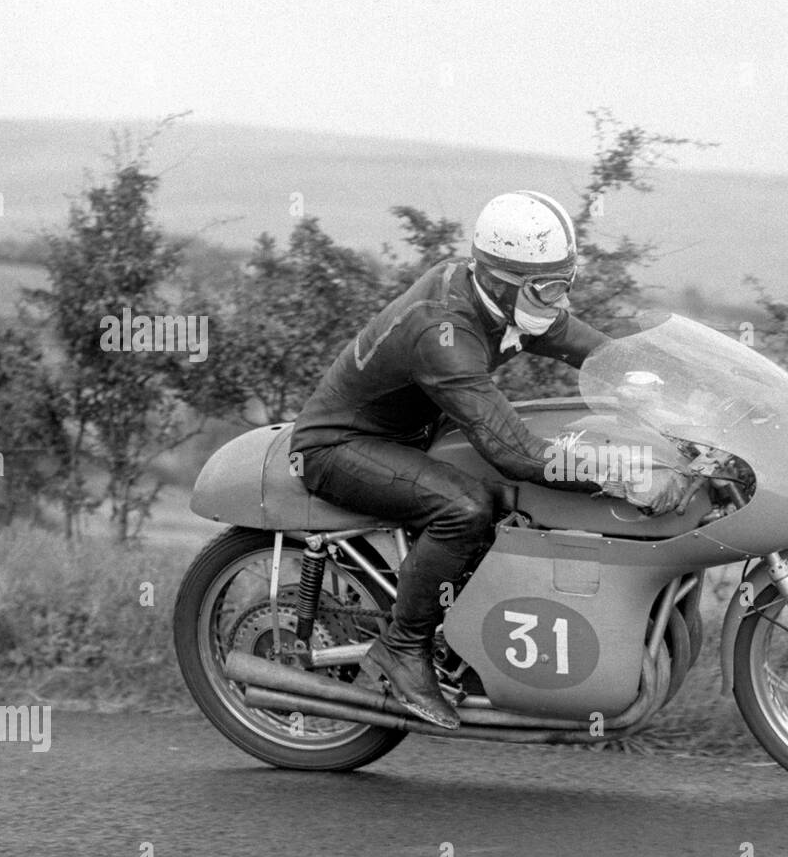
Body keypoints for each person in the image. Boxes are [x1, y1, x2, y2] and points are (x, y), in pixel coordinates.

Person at [290, 191, 692, 729]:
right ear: (502, 280)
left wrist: (673, 386)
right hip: (340, 446)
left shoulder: (506, 302)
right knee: (465, 508)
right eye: (548, 287)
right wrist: (625, 475)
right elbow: (514, 454)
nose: (559, 300)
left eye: (566, 283)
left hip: (414, 434)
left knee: (523, 502)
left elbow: (600, 354)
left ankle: (478, 641)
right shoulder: (444, 333)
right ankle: (402, 648)